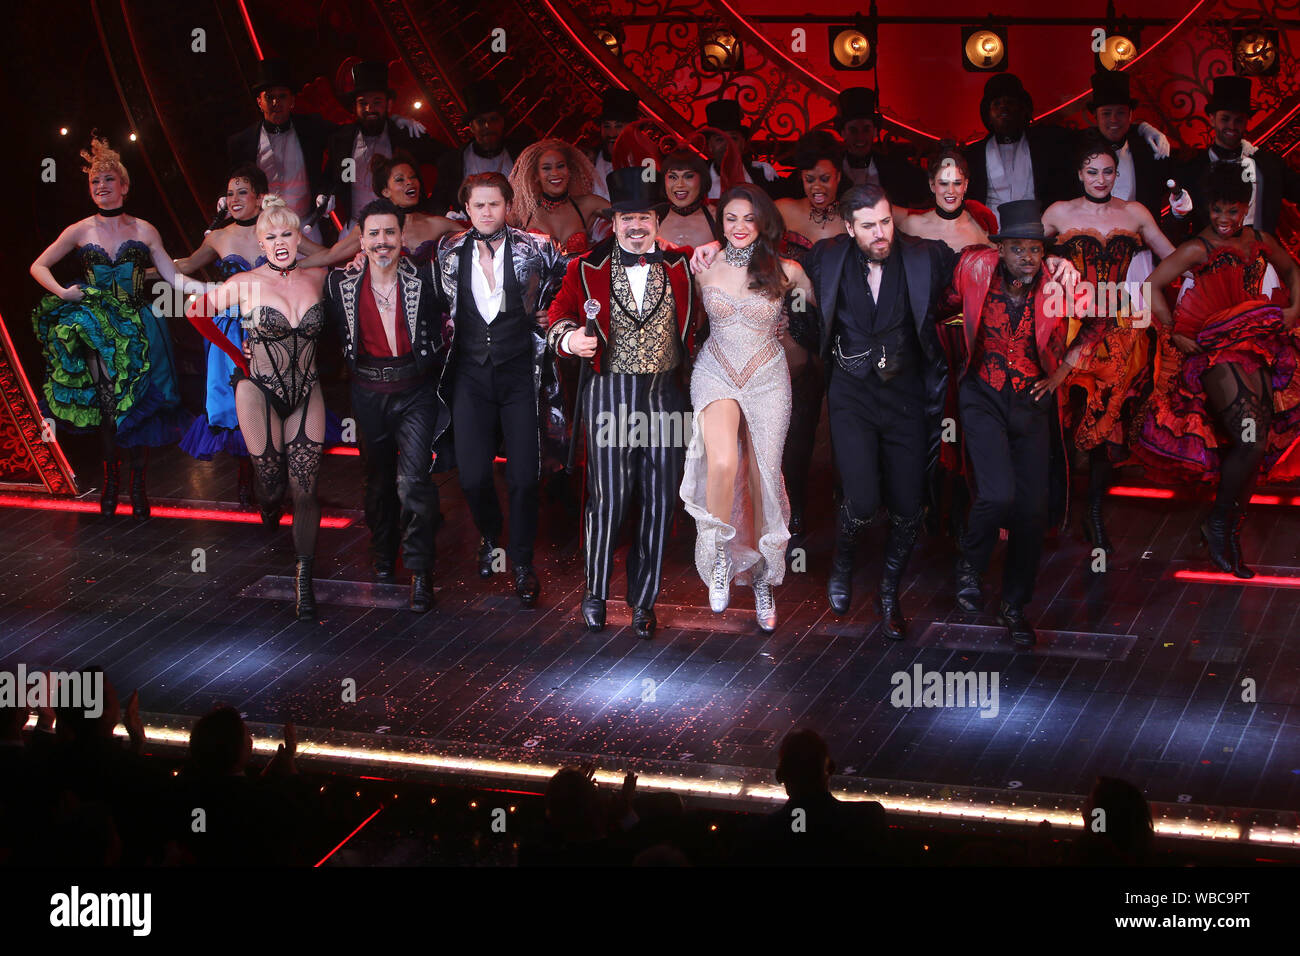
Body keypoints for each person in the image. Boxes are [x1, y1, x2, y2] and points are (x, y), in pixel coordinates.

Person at [547, 167, 700, 640]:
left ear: (657, 223)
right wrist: (569, 340)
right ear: (613, 224)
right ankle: (595, 592)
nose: (636, 226)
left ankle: (644, 601)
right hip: (610, 393)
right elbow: (557, 316)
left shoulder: (683, 265)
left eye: (644, 218)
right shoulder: (584, 267)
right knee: (608, 499)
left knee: (660, 502)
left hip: (666, 396)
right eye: (627, 219)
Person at [804, 184, 962, 640]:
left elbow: (981, 257)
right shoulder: (826, 256)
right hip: (851, 394)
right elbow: (776, 262)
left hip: (906, 395)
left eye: (886, 222)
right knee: (862, 499)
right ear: (849, 227)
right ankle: (843, 564)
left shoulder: (924, 256)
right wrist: (712, 249)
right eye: (869, 225)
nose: (880, 233)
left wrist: (1055, 261)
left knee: (909, 505)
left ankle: (889, 591)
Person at [1133, 164, 1300, 578]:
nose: (1225, 219)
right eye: (1218, 210)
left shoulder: (1260, 240)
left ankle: (1228, 526)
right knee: (1251, 440)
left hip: (1257, 340)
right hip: (1214, 348)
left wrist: (1294, 308)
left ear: (1246, 207)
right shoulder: (1197, 248)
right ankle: (1220, 525)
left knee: (1258, 442)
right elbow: (1151, 285)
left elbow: (1293, 270)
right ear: (1209, 208)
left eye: (1233, 211)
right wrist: (1173, 330)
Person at [946, 200, 1094, 646]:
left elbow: (1100, 319)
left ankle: (1014, 605)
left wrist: (1062, 372)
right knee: (996, 494)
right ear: (1001, 249)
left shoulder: (1058, 281)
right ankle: (970, 564)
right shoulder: (974, 267)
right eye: (1017, 249)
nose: (1027, 257)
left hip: (1032, 399)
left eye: (1034, 249)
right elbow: (941, 304)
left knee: (1031, 510)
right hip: (983, 395)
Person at [30, 135, 196, 518]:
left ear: (124, 185)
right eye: (95, 181)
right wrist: (63, 292)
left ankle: (138, 486)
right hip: (97, 327)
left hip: (138, 326)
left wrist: (219, 291)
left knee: (136, 405)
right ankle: (110, 484)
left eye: (108, 179)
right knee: (107, 406)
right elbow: (38, 265)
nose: (101, 186)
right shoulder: (79, 230)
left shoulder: (145, 229)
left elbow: (174, 277)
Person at [436, 173, 570, 608]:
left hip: (519, 374)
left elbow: (570, 281)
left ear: (508, 206)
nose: (487, 212)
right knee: (473, 476)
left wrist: (553, 313)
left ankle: (523, 563)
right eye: (478, 205)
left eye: (494, 204)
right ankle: (490, 533)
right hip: (471, 375)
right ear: (467, 209)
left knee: (524, 477)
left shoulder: (539, 246)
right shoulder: (449, 251)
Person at [681, 184, 811, 631]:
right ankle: (718, 556)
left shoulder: (788, 270)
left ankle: (761, 578)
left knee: (763, 479)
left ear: (764, 222)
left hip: (767, 378)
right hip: (715, 370)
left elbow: (827, 308)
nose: (738, 226)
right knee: (721, 462)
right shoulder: (703, 265)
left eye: (748, 218)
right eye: (730, 218)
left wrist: (800, 336)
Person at [197, 196, 330, 620]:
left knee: (305, 488)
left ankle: (304, 578)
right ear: (260, 243)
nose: (280, 242)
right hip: (257, 388)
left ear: (299, 238)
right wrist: (234, 353)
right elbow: (196, 311)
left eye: (287, 234)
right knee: (272, 484)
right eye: (270, 237)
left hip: (306, 389)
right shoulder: (245, 283)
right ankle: (269, 504)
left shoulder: (318, 277)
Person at [1042, 137, 1175, 553]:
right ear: (1079, 174)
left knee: (1106, 417)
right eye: (1092, 172)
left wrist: (1187, 226)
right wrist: (1050, 259)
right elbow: (1021, 253)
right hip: (1069, 321)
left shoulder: (1134, 212)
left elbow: (1171, 256)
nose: (1100, 180)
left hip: (1120, 323)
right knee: (1066, 417)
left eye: (1108, 171)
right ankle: (1059, 508)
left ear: (1117, 173)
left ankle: (1094, 512)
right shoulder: (1059, 212)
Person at [322, 198, 448, 611]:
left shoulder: (426, 278)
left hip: (416, 391)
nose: (382, 241)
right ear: (361, 240)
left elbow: (467, 308)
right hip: (367, 392)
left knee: (412, 481)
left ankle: (420, 571)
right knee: (377, 481)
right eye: (373, 233)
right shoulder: (338, 285)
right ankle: (383, 552)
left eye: (389, 232)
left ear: (402, 236)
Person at [175, 165, 278, 505]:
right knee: (236, 401)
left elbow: (312, 257)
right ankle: (246, 477)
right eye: (230, 193)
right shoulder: (218, 237)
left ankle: (274, 477)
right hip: (231, 329)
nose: (234, 198)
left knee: (275, 397)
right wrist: (143, 267)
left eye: (242, 192)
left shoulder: (277, 230)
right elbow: (186, 265)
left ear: (260, 197)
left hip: (272, 324)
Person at [774, 132, 845, 534]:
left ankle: (849, 507)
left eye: (825, 178)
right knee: (797, 424)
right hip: (797, 326)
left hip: (844, 328)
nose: (817, 187)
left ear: (839, 177)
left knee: (846, 423)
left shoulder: (854, 214)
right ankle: (794, 509)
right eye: (809, 179)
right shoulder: (784, 210)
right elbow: (748, 242)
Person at [326, 61, 444, 233]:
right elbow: (331, 177)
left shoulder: (404, 135)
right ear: (355, 107)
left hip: (401, 229)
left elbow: (447, 158)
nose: (370, 108)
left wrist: (439, 204)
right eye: (363, 103)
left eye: (377, 102)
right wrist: (325, 194)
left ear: (388, 104)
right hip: (356, 228)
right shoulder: (342, 140)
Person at [1175, 75, 1300, 238]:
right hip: (1212, 251)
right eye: (1225, 119)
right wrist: (1179, 214)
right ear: (1212, 119)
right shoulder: (1193, 169)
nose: (1232, 126)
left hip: (1263, 249)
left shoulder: (1270, 164)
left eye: (1239, 120)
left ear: (1246, 121)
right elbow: (1178, 226)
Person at [226, 58, 335, 243]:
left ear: (292, 100)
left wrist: (328, 188)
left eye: (282, 96)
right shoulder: (241, 142)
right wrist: (225, 197)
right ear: (259, 102)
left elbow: (346, 142)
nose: (276, 102)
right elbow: (232, 180)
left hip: (306, 226)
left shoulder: (312, 128)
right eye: (269, 97)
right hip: (262, 229)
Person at [299, 151, 460, 268]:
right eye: (400, 179)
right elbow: (330, 256)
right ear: (385, 191)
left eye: (413, 177)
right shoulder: (371, 226)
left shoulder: (437, 223)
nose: (409, 182)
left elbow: (473, 239)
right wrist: (291, 266)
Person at [1077, 71, 1186, 234]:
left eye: (1120, 112)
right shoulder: (1079, 150)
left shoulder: (1150, 149)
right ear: (1095, 117)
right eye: (1106, 113)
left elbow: (1176, 189)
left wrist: (1180, 207)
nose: (1114, 119)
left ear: (1130, 115)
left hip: (1141, 242)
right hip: (1092, 240)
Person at [963, 74, 1075, 218]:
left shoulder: (1048, 147)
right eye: (996, 104)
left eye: (1009, 102)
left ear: (1023, 110)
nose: (1003, 107)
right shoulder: (973, 154)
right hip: (987, 229)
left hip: (1040, 227)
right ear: (988, 114)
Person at [432, 80, 529, 216]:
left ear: (502, 122)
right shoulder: (451, 161)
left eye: (493, 119)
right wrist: (450, 216)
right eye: (481, 121)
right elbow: (436, 205)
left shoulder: (523, 154)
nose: (488, 126)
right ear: (471, 127)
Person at [508, 140, 608, 256]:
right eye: (546, 168)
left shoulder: (588, 205)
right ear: (536, 175)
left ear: (569, 170)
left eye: (560, 166)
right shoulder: (524, 211)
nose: (555, 173)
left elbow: (624, 215)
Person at [833, 87, 928, 207]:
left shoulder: (895, 167)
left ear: (875, 132)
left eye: (866, 130)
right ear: (843, 133)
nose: (860, 137)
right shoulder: (831, 170)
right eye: (853, 130)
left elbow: (926, 190)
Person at [701, 99, 780, 200]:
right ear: (710, 146)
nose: (728, 145)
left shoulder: (763, 175)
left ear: (743, 143)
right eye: (720, 139)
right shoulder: (697, 176)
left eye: (733, 138)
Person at [656, 149, 718, 249]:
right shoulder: (652, 219)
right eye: (672, 177)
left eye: (688, 176)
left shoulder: (718, 218)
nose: (680, 184)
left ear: (702, 180)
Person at [590, 88, 640, 201]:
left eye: (618, 126)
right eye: (607, 126)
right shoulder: (589, 161)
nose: (611, 134)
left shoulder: (646, 163)